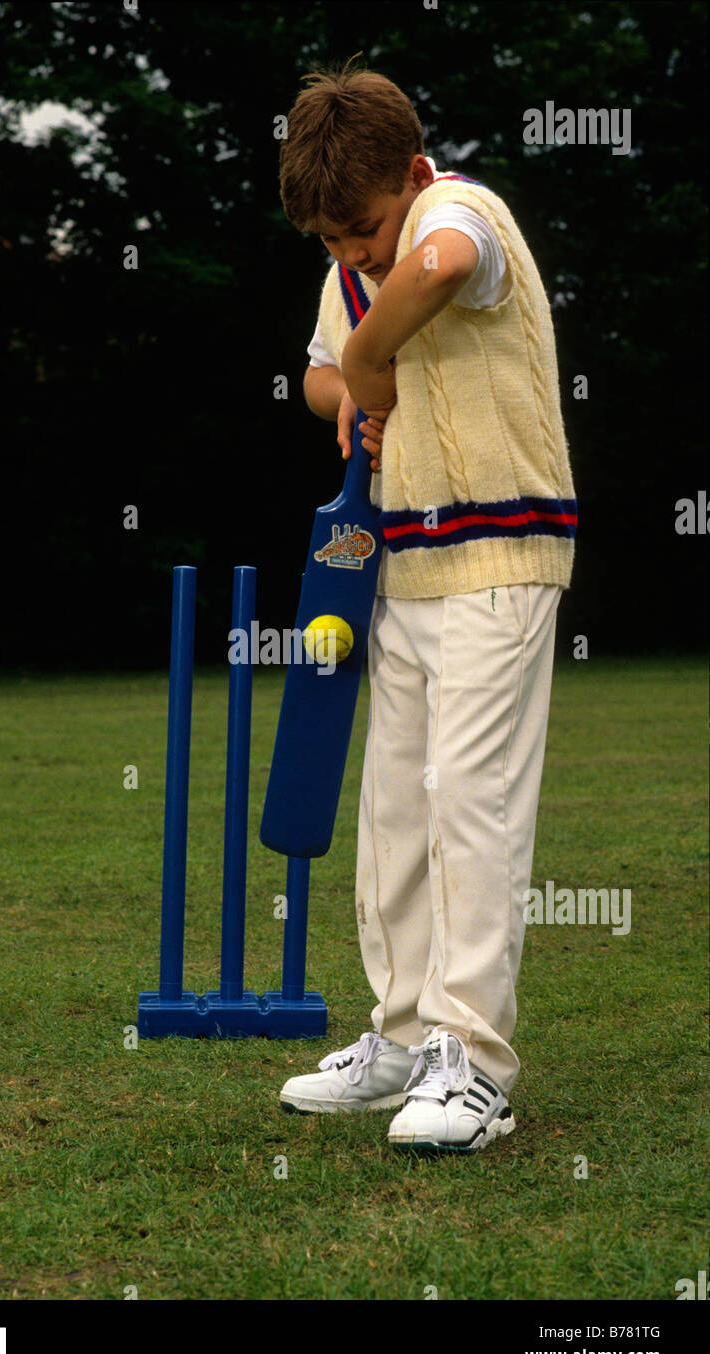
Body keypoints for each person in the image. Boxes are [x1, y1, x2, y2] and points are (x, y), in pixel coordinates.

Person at [276, 61, 577, 1154]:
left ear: (411, 172)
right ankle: (402, 1039)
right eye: (329, 240)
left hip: (502, 547)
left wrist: (369, 350)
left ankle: (475, 1063)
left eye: (362, 226)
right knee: (396, 810)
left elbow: (439, 264)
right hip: (401, 566)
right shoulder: (349, 269)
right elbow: (321, 374)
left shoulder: (458, 210)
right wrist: (349, 380)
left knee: (468, 801)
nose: (354, 254)